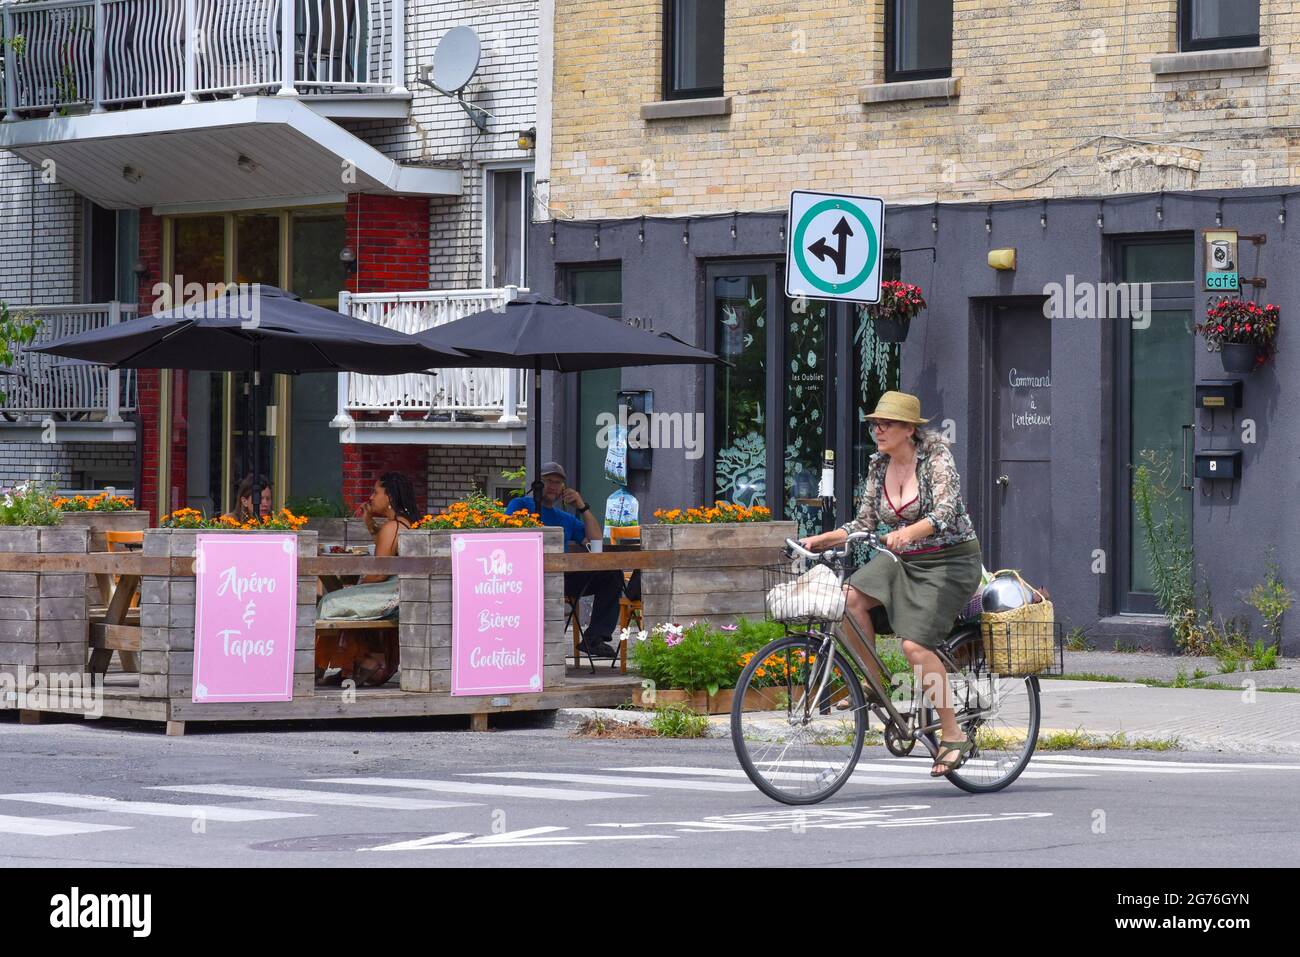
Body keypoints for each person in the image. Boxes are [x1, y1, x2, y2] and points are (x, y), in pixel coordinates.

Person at [799, 392, 983, 778]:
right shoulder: (879, 464)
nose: (877, 429)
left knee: (915, 646)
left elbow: (946, 512)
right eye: (874, 423)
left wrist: (910, 532)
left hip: (949, 561)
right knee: (848, 599)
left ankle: (953, 734)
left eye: (886, 423)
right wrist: (822, 540)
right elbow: (864, 522)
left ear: (909, 430)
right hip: (904, 558)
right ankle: (877, 686)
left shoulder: (936, 458)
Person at [505, 462, 624, 658]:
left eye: (558, 482)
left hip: (563, 579)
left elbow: (595, 544)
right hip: (528, 579)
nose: (553, 486)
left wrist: (583, 507)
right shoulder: (521, 505)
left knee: (612, 574)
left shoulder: (565, 518)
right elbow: (507, 534)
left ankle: (594, 638)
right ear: (538, 484)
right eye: (548, 481)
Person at [316, 472, 420, 685]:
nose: (371, 497)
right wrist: (370, 523)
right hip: (400, 592)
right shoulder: (404, 523)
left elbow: (379, 574)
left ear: (389, 497)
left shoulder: (392, 528)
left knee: (331, 601)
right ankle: (352, 664)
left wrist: (357, 585)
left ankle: (323, 666)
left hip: (390, 594)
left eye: (375, 492)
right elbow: (387, 550)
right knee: (342, 597)